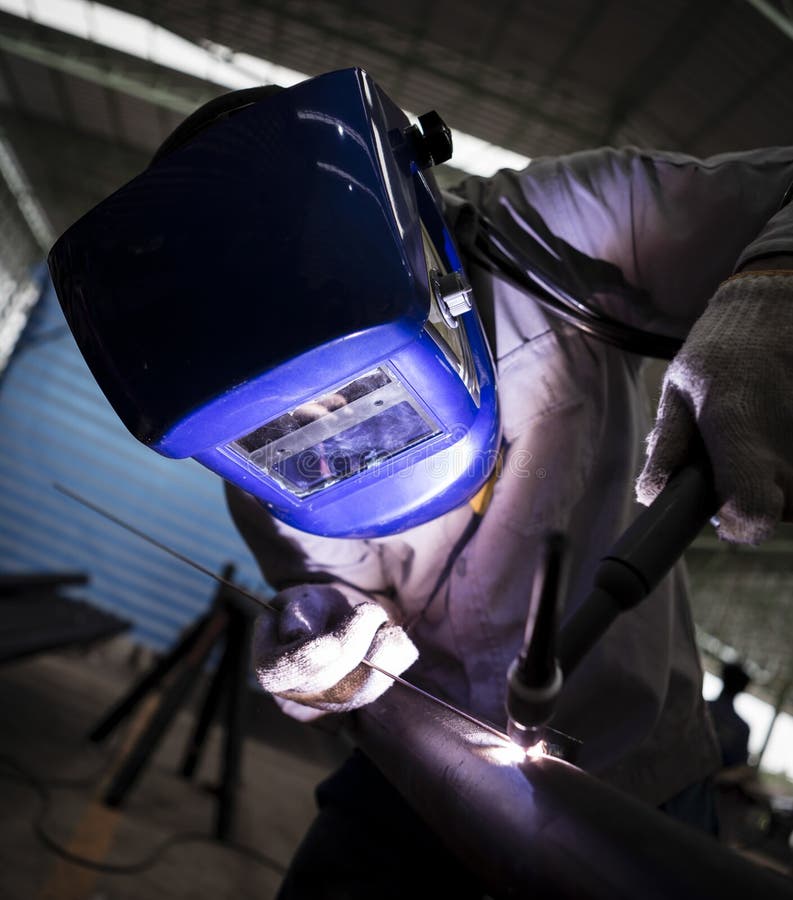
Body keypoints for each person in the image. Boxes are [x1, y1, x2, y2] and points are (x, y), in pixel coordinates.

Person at [47, 68, 793, 898]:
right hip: (421, 766)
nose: (329, 420)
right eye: (285, 418)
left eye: (345, 379)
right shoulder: (248, 453)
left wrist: (770, 290)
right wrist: (323, 638)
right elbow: (344, 606)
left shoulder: (549, 234)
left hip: (642, 770)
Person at [708, 661, 752, 768]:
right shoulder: (741, 729)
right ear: (743, 688)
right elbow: (738, 767)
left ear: (723, 676)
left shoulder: (699, 707)